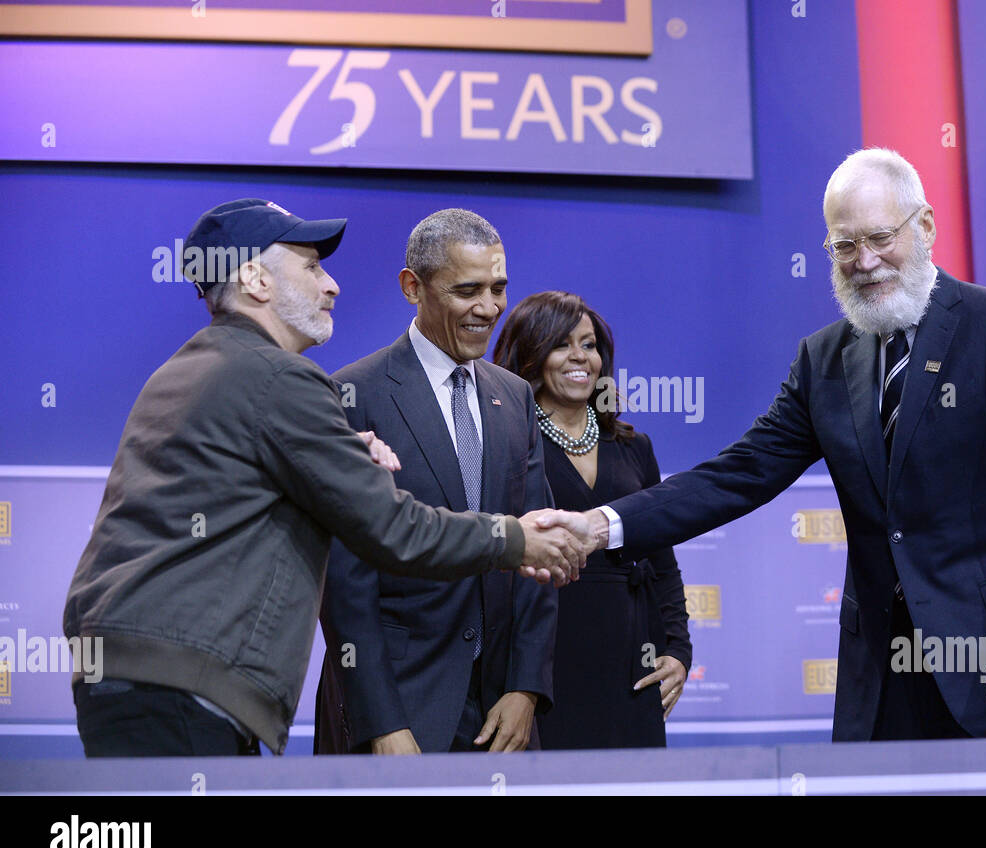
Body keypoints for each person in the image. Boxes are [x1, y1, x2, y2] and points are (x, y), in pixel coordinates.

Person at [578, 148, 986, 741]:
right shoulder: (822, 358)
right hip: (875, 677)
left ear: (924, 226)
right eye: (844, 245)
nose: (865, 261)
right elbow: (741, 472)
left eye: (880, 237)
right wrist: (603, 525)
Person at [62, 199, 588, 758]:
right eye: (311, 266)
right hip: (185, 685)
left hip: (133, 674)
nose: (332, 285)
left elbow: (239, 471)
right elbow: (391, 528)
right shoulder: (282, 378)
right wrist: (514, 538)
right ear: (255, 279)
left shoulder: (195, 367)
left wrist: (334, 455)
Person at [315, 209, 560, 755]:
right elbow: (345, 583)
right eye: (467, 290)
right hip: (402, 707)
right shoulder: (351, 394)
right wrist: (380, 721)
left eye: (498, 289)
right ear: (412, 287)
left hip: (501, 712)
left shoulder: (516, 396)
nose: (489, 308)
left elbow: (537, 550)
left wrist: (525, 688)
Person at [493, 291, 692, 749]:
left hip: (631, 665)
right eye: (562, 344)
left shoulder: (633, 446)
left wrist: (678, 651)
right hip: (541, 667)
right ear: (531, 354)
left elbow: (663, 562)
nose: (581, 357)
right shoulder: (506, 447)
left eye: (590, 344)